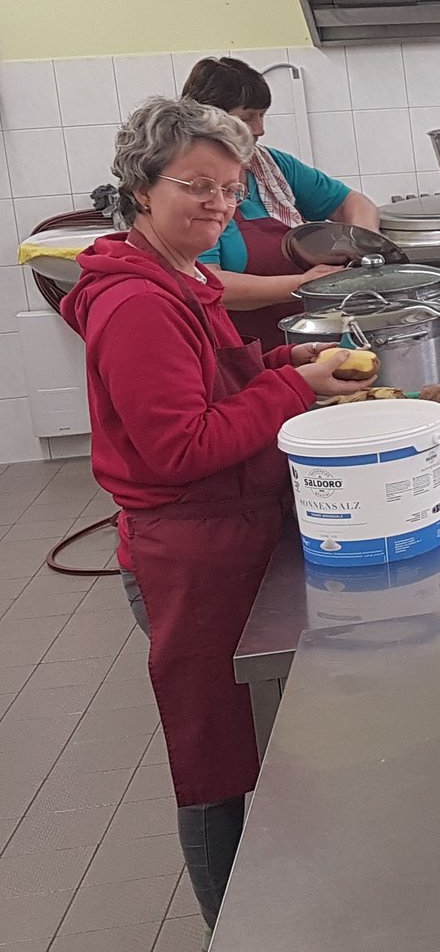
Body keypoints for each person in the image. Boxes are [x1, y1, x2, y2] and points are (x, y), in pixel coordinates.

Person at [60, 97, 374, 927]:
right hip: (189, 557)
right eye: (196, 185)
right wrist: (291, 386)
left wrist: (281, 358)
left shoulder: (181, 279)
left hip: (232, 536)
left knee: (256, 747)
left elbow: (209, 386)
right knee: (217, 767)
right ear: (139, 185)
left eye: (231, 190)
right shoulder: (134, 304)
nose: (217, 206)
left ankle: (287, 907)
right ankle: (236, 931)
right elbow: (180, 446)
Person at [180, 56, 382, 350]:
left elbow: (352, 202)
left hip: (304, 343)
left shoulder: (273, 167)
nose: (260, 128)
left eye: (262, 115)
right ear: (209, 119)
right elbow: (209, 283)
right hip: (235, 350)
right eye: (247, 117)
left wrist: (362, 244)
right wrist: (303, 285)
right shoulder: (196, 189)